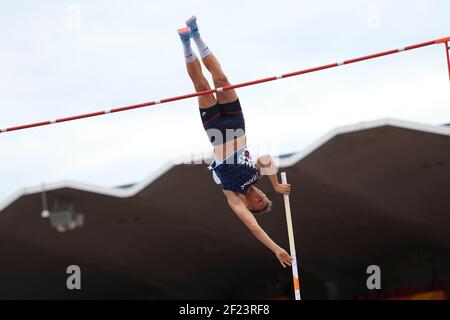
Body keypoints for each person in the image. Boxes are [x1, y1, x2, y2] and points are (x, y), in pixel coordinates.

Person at [178, 16, 292, 268]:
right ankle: (196, 34)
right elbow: (266, 160)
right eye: (264, 197)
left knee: (201, 86)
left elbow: (253, 227)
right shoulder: (256, 177)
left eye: (260, 201)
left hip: (216, 131)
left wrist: (276, 249)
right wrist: (274, 184)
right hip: (238, 127)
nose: (261, 196)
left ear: (250, 206)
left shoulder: (233, 196)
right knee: (222, 79)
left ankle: (185, 42)